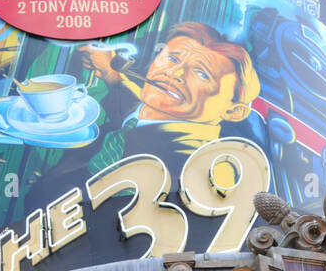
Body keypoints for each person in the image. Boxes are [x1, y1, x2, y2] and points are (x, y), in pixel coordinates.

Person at [75, 21, 260, 178]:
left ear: (233, 111)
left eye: (201, 73)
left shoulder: (194, 166)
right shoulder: (163, 116)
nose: (172, 73)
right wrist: (110, 72)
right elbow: (140, 112)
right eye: (172, 59)